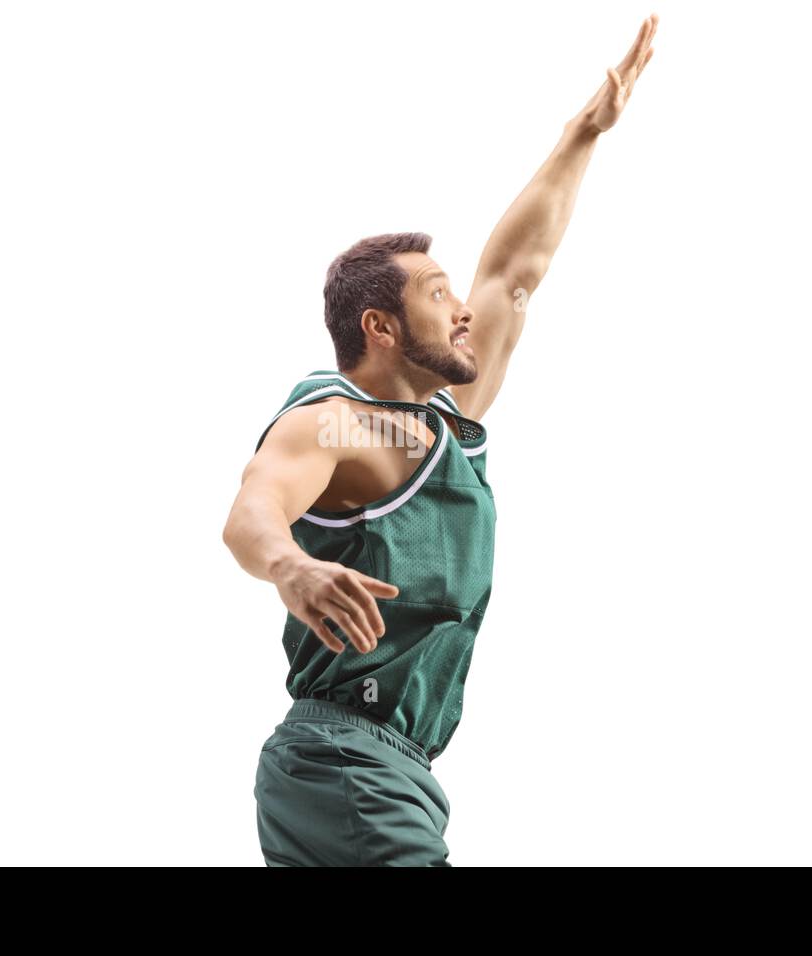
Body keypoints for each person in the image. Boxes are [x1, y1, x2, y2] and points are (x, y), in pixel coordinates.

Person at [222, 14, 658, 866]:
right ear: (381, 326)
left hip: (390, 772)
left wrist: (582, 135)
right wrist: (291, 565)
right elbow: (253, 505)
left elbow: (515, 275)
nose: (464, 307)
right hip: (346, 762)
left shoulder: (444, 425)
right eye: (437, 292)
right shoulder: (341, 420)